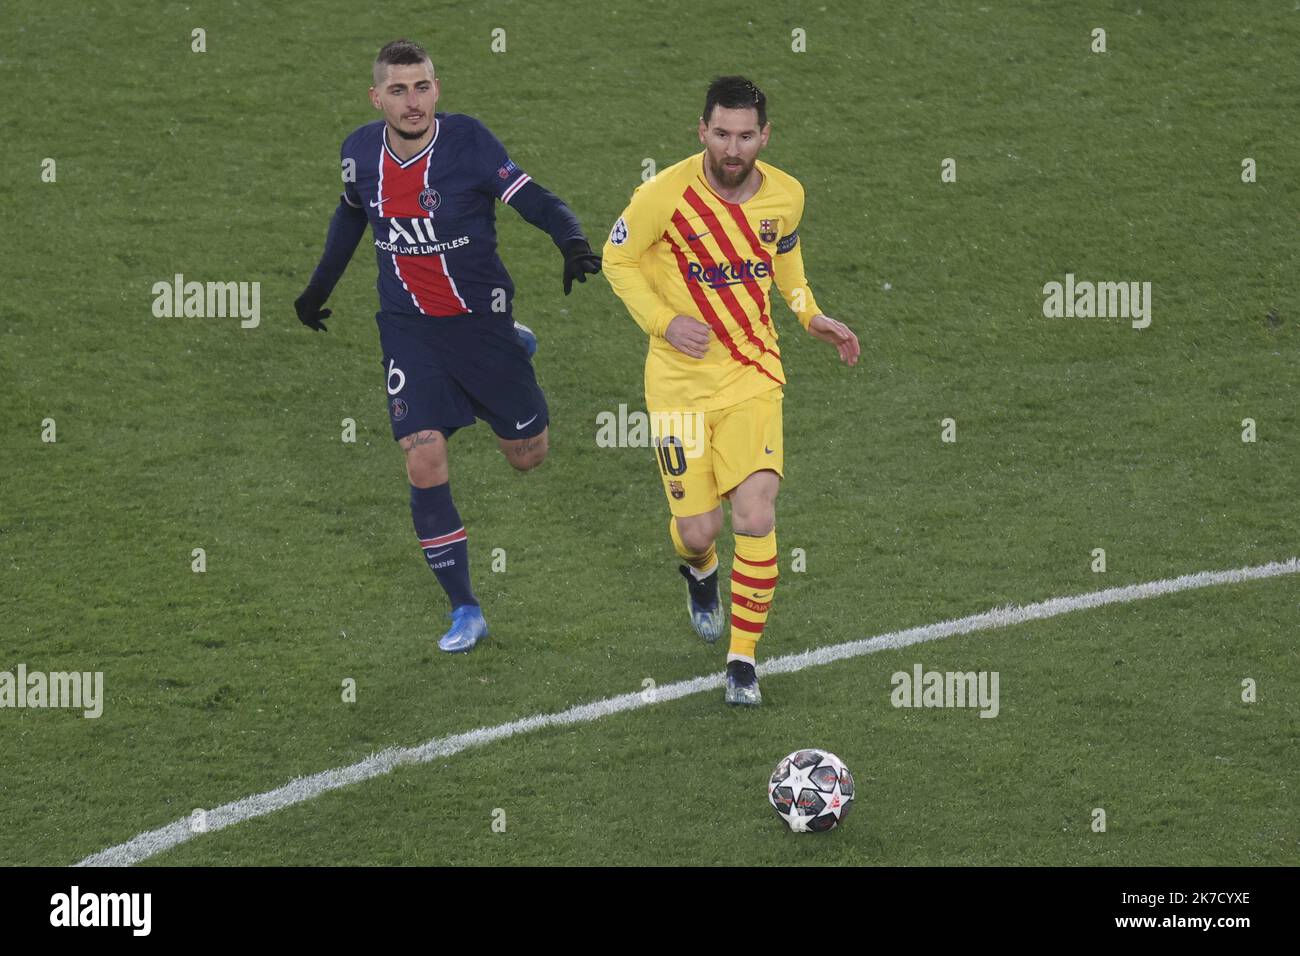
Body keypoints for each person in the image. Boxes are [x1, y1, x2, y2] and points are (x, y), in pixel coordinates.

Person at [295, 39, 602, 653]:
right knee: (423, 455)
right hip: (409, 329)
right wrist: (315, 290)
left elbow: (536, 200)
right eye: (400, 90)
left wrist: (571, 242)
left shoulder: (468, 143)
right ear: (376, 96)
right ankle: (465, 607)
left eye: (423, 87)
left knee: (526, 456)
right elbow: (353, 214)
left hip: (481, 324)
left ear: (437, 88)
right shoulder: (358, 153)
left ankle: (517, 344)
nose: (414, 102)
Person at [602, 76, 859, 704]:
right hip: (678, 387)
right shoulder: (662, 194)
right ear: (703, 131)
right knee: (698, 529)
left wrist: (808, 313)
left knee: (757, 513)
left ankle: (742, 659)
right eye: (722, 133)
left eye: (746, 135)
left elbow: (784, 259)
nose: (733, 147)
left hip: (752, 374)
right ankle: (700, 571)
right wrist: (665, 323)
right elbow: (617, 260)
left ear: (764, 136)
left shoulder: (786, 195)